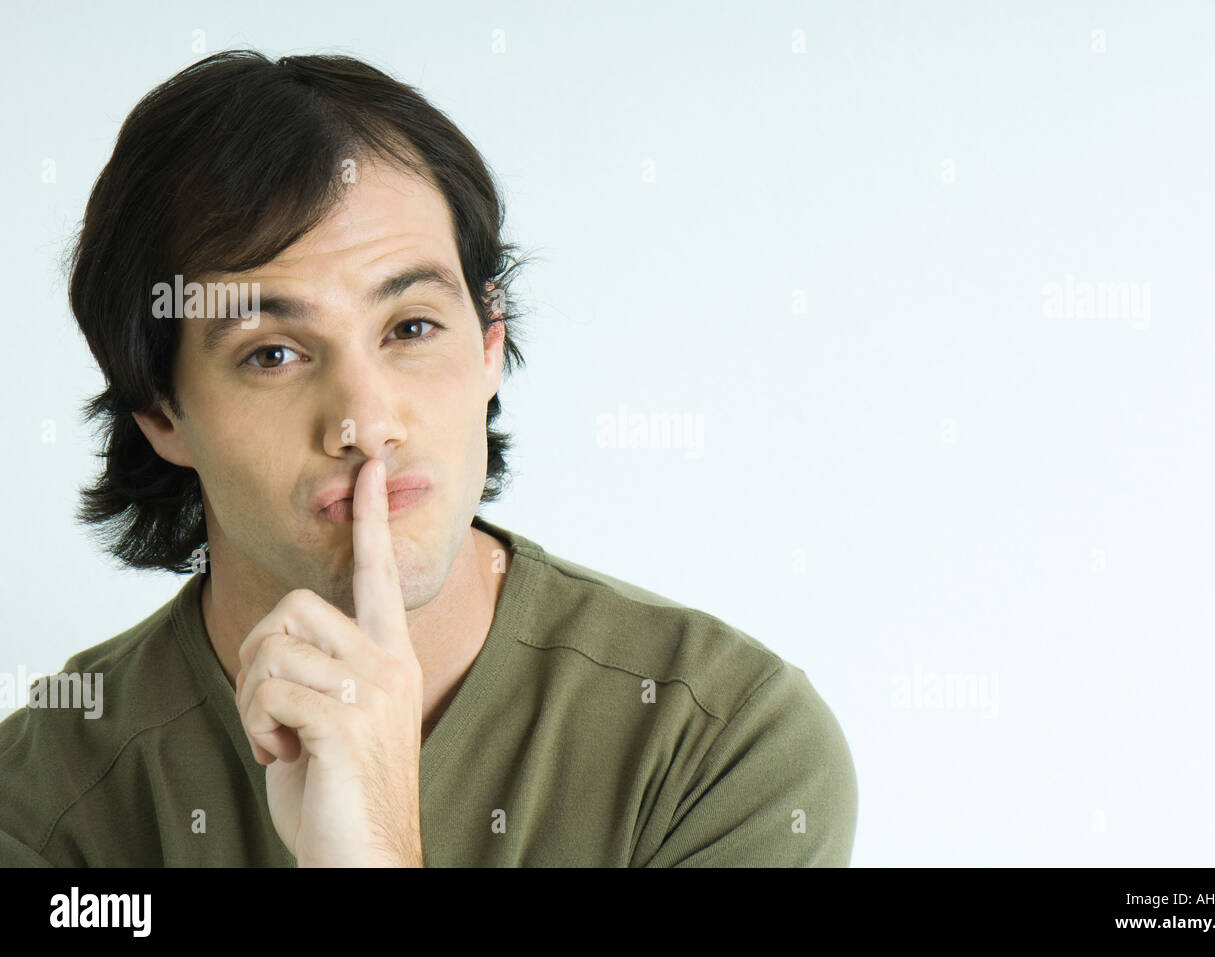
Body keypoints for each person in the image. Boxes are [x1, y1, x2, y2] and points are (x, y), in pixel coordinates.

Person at [0, 50, 856, 866]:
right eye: (272, 353)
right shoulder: (36, 801)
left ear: (490, 346)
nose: (365, 423)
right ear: (160, 414)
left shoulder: (721, 744)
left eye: (411, 328)